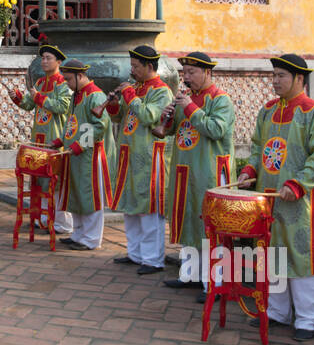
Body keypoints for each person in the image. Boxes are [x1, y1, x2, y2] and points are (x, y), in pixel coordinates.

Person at [237, 54, 314, 340]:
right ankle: (276, 312)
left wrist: (297, 185)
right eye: (274, 76)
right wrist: (249, 170)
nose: (276, 81)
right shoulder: (267, 111)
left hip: (301, 200)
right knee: (272, 253)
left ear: (299, 79)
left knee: (301, 255)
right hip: (270, 197)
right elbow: (258, 148)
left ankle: (309, 319)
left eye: (282, 76)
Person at [160, 52, 235, 301]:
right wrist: (167, 116)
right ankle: (190, 274)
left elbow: (215, 129)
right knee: (190, 222)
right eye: (185, 72)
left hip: (210, 172)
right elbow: (172, 130)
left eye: (192, 72)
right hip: (185, 169)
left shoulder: (220, 100)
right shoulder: (187, 98)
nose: (187, 77)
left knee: (210, 227)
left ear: (207, 72)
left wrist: (189, 107)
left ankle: (215, 283)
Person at [106, 45, 174, 275]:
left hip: (148, 157)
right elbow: (119, 117)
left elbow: (148, 116)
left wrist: (130, 96)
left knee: (148, 209)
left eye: (136, 66)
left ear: (149, 66)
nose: (132, 70)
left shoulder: (161, 91)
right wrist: (113, 104)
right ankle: (135, 253)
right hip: (128, 155)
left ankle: (153, 259)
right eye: (132, 66)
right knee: (130, 207)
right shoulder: (136, 88)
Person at [50, 59, 112, 252]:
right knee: (76, 194)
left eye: (69, 79)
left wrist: (78, 145)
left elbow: (100, 127)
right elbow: (71, 123)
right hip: (75, 154)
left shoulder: (95, 95)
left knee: (90, 196)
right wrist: (61, 140)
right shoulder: (78, 95)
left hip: (90, 156)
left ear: (80, 76)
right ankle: (78, 233)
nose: (67, 83)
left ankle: (92, 238)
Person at [11, 43, 74, 232]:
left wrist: (39, 98)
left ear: (59, 62)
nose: (44, 61)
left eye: (48, 58)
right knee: (39, 180)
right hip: (39, 138)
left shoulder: (64, 84)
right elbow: (29, 104)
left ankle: (62, 223)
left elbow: (62, 106)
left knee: (55, 181)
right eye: (43, 58)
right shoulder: (40, 83)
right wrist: (17, 97)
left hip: (55, 139)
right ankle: (42, 218)